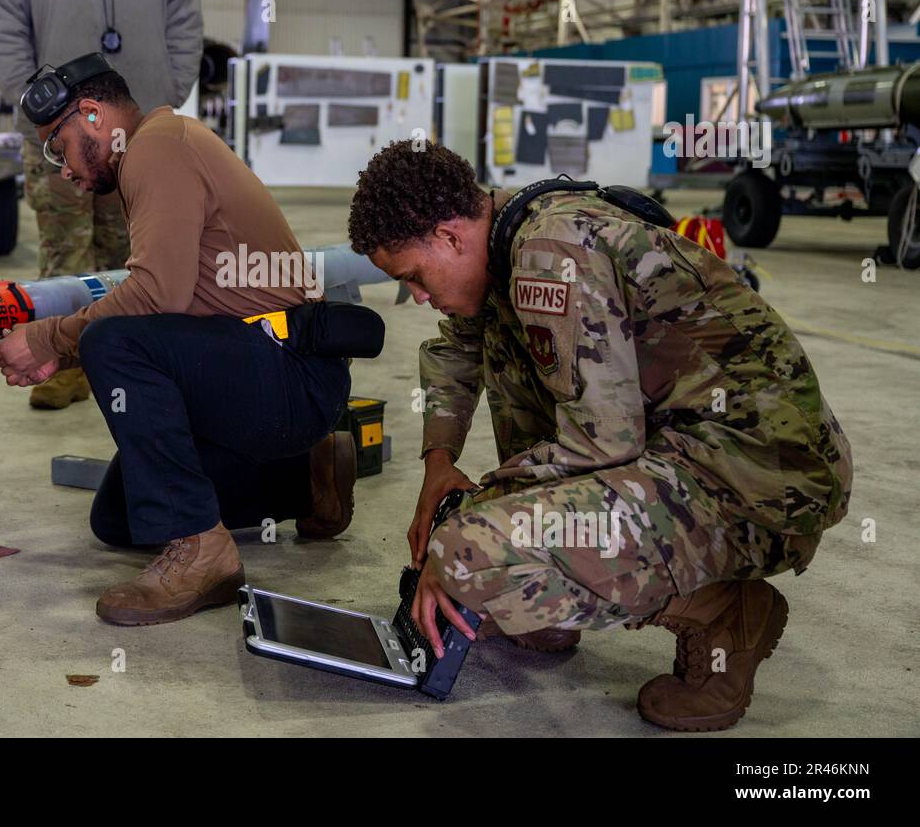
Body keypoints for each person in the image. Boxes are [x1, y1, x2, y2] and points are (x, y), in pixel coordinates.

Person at [347, 141, 853, 731]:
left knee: (468, 550)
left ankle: (727, 614)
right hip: (688, 454)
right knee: (481, 527)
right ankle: (551, 590)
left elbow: (600, 445)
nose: (417, 296)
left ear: (450, 237)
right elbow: (456, 349)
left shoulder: (551, 252)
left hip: (760, 479)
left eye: (413, 277)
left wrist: (470, 526)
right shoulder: (507, 235)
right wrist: (439, 464)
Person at [0, 54, 359, 626]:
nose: (63, 169)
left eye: (58, 147)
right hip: (273, 373)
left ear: (92, 114)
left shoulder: (156, 148)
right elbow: (181, 297)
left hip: (290, 372)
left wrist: (50, 340)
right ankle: (304, 480)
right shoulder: (165, 142)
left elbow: (158, 294)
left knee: (115, 341)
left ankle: (203, 553)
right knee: (119, 517)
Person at [0, 0, 202, 410]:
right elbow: (1, 25)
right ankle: (60, 364)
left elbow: (186, 23)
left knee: (133, 252)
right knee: (64, 251)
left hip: (137, 135)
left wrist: (167, 94)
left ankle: (118, 360)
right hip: (60, 137)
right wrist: (37, 108)